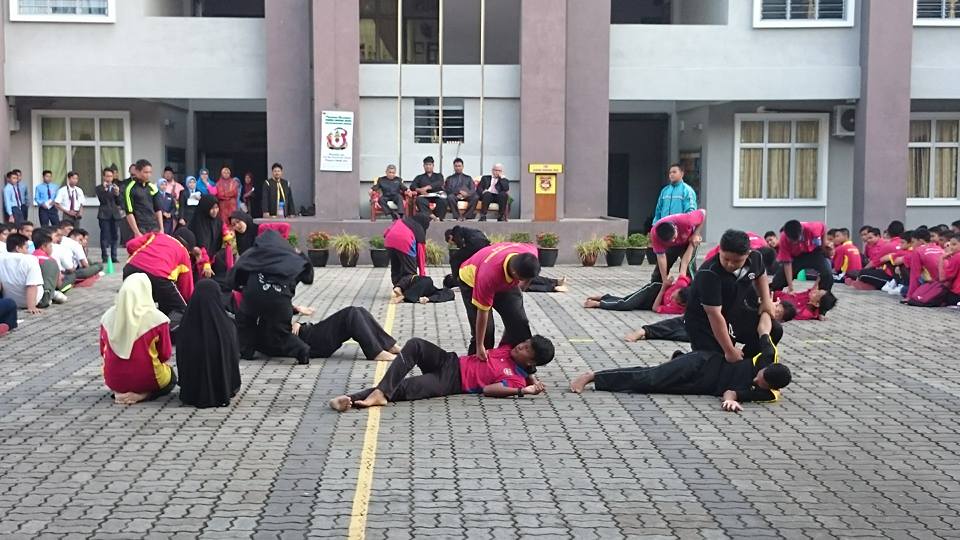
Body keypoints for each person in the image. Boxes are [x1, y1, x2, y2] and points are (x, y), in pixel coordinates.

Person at [329, 336, 554, 412]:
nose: (520, 347)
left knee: (407, 387)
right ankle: (379, 394)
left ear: (531, 360)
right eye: (523, 343)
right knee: (415, 344)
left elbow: (489, 389)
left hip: (451, 382)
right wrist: (533, 378)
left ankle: (351, 399)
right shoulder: (508, 349)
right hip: (449, 360)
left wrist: (523, 390)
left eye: (526, 349)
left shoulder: (515, 378)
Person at [569, 350, 792, 413]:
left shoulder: (767, 394)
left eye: (759, 381)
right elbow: (765, 326)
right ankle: (593, 376)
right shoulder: (767, 358)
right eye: (758, 374)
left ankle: (676, 360)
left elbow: (731, 392)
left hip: (698, 386)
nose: (755, 379)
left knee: (651, 384)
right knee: (651, 377)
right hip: (701, 363)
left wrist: (730, 402)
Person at [684, 229, 776, 362]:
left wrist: (766, 300)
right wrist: (729, 350)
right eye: (726, 259)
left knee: (775, 329)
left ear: (748, 254)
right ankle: (681, 359)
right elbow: (714, 315)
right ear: (719, 250)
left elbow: (760, 275)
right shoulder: (709, 273)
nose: (730, 264)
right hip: (704, 323)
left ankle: (747, 365)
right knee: (714, 362)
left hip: (733, 312)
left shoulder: (756, 257)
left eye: (737, 261)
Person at [232, 230, 313, 365]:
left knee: (245, 321)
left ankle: (246, 350)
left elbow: (236, 275)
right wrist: (301, 255)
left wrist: (241, 286)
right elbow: (307, 277)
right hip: (279, 300)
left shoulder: (252, 254)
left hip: (254, 298)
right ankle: (301, 350)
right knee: (280, 331)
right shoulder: (289, 257)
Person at [100, 273, 176, 405]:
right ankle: (144, 395)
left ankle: (121, 392)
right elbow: (165, 355)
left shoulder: (107, 317)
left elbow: (103, 351)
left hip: (113, 380)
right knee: (172, 379)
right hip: (148, 379)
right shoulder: (158, 319)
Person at [459, 242, 540, 358]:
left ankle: (518, 367)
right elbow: (483, 313)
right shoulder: (487, 277)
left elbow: (530, 275)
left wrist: (522, 287)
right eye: (522, 279)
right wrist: (480, 346)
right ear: (514, 273)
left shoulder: (530, 253)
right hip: (471, 281)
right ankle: (472, 368)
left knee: (519, 323)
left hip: (502, 276)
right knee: (486, 333)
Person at [175, 279, 242, 408]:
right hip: (222, 388)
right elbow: (233, 359)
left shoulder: (185, 326)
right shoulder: (227, 327)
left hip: (191, 392)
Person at [123, 229, 198, 323]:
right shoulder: (184, 253)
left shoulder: (156, 235)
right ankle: (165, 332)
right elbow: (186, 288)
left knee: (137, 304)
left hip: (130, 269)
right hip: (159, 277)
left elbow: (130, 245)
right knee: (183, 311)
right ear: (189, 249)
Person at [294, 306, 401, 361]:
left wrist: (296, 312)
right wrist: (294, 325)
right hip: (310, 341)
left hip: (309, 332)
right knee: (351, 314)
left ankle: (388, 345)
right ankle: (376, 353)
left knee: (359, 310)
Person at [770, 220, 832, 293]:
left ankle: (822, 295)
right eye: (792, 241)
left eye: (797, 240)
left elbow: (823, 227)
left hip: (814, 252)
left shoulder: (812, 228)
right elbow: (787, 264)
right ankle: (771, 295)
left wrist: (824, 247)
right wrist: (791, 288)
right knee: (778, 280)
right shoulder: (783, 239)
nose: (795, 242)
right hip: (796, 257)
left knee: (827, 273)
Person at [650, 208, 706, 283]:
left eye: (674, 238)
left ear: (675, 228)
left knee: (688, 270)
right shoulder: (655, 235)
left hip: (689, 241)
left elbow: (703, 213)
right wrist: (664, 280)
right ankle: (655, 289)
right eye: (670, 241)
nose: (673, 241)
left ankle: (691, 290)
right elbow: (661, 257)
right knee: (658, 274)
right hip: (671, 247)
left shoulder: (687, 220)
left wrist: (696, 234)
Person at [383, 214, 431, 291]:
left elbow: (386, 233)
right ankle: (399, 288)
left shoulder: (401, 220)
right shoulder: (419, 230)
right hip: (405, 243)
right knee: (411, 273)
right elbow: (421, 255)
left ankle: (397, 288)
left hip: (389, 241)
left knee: (396, 267)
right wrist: (422, 275)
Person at [1, 233, 46, 313]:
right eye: (26, 248)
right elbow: (32, 285)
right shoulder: (30, 259)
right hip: (31, 301)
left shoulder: (1, 258)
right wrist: (31, 307)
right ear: (18, 248)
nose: (28, 251)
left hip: (9, 301)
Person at [123, 159, 163, 237]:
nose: (148, 175)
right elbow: (129, 212)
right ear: (137, 172)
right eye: (145, 172)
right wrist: (136, 231)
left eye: (150, 172)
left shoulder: (153, 187)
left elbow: (158, 210)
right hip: (140, 226)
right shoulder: (130, 188)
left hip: (153, 226)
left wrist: (161, 228)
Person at [94, 168, 123, 263]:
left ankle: (114, 256)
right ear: (103, 177)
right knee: (104, 235)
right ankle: (105, 256)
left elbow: (119, 202)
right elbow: (102, 200)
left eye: (111, 176)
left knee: (115, 235)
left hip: (115, 214)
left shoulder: (116, 187)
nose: (109, 178)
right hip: (104, 214)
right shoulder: (99, 188)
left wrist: (117, 193)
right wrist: (106, 189)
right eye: (107, 176)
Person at [189, 195, 223, 265]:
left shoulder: (218, 222)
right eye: (212, 208)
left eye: (216, 208)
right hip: (198, 261)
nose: (215, 211)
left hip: (214, 261)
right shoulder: (196, 222)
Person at [409, 156, 445, 220]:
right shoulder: (419, 177)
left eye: (430, 165)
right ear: (423, 166)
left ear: (433, 165)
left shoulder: (438, 175)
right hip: (425, 196)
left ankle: (438, 217)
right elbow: (412, 186)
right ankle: (430, 215)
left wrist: (426, 188)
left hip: (436, 196)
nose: (428, 166)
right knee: (419, 200)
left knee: (443, 200)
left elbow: (439, 182)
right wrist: (419, 190)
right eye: (426, 165)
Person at [939, 235, 960, 306]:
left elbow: (942, 278)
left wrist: (941, 259)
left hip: (957, 294)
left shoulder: (957, 256)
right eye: (950, 244)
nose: (951, 247)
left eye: (954, 244)